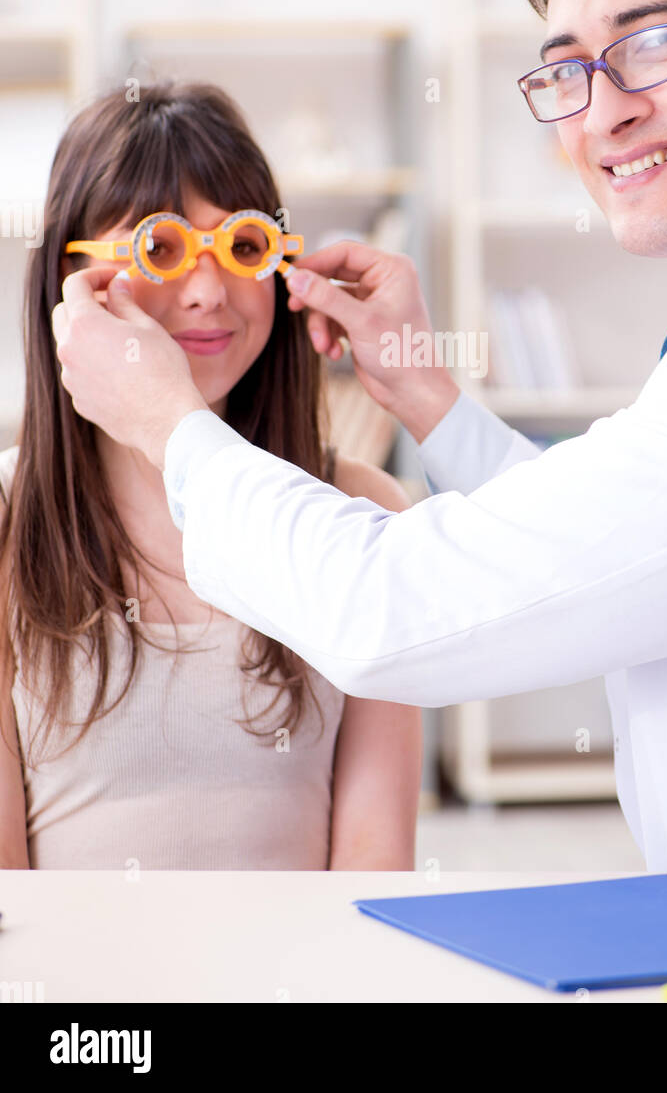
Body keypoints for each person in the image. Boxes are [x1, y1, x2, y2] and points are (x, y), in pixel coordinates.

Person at [52, 0, 667, 873]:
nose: (600, 116)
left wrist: (169, 426)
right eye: (569, 71)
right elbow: (609, 543)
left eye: (652, 46)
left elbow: (395, 611)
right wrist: (425, 393)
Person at [0, 82, 422, 870]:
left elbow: (375, 865)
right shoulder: (6, 518)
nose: (205, 292)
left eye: (242, 247)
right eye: (158, 250)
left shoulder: (362, 512)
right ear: (72, 282)